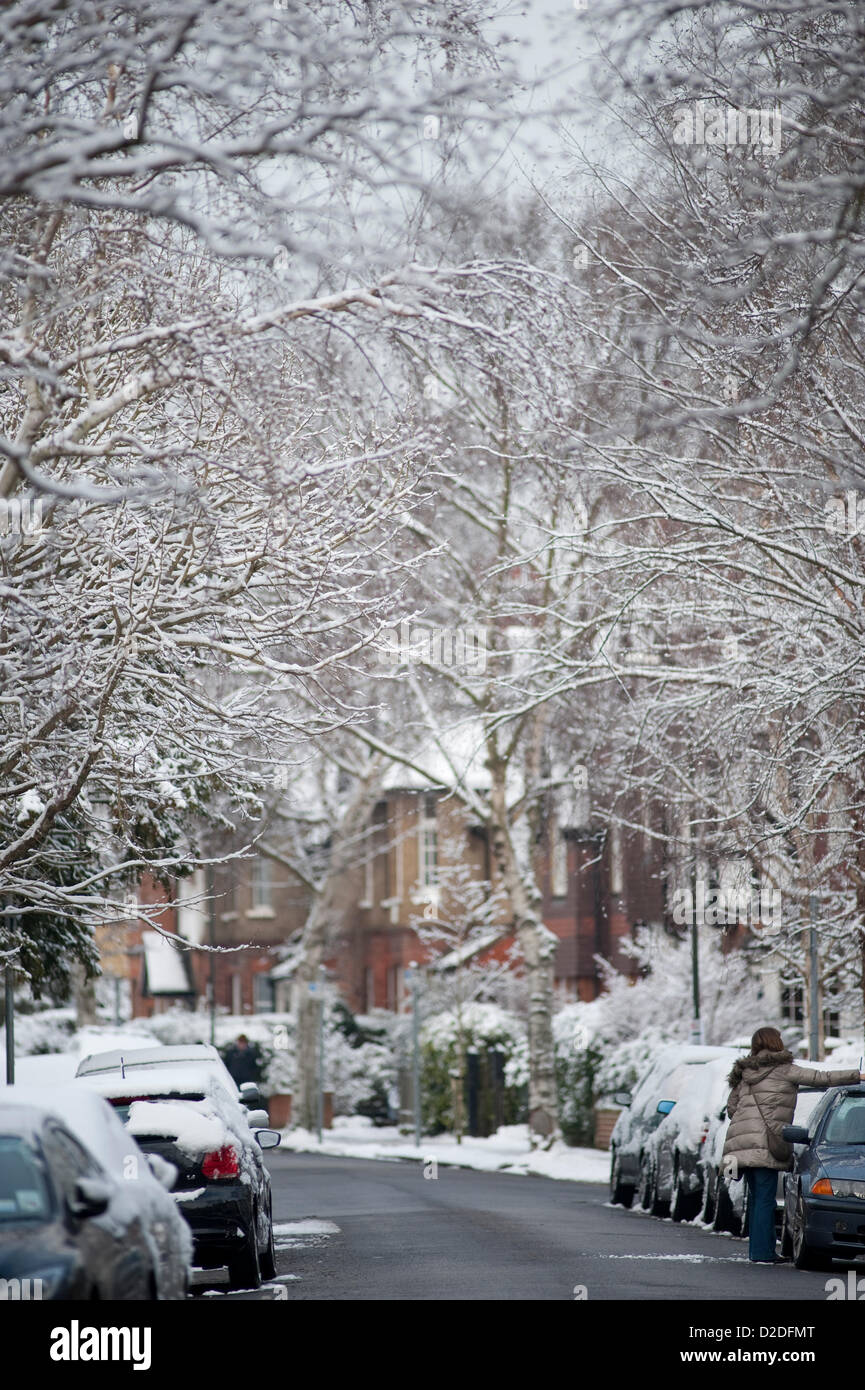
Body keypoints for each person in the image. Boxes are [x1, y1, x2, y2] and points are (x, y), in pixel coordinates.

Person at [722, 1026, 865, 1264]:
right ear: (777, 1043)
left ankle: (761, 1250)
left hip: (740, 1145)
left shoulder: (744, 1075)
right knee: (766, 1200)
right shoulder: (785, 1070)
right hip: (767, 1144)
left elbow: (731, 1109)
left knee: (758, 1198)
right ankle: (762, 1253)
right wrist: (857, 1075)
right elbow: (822, 1078)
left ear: (755, 1045)